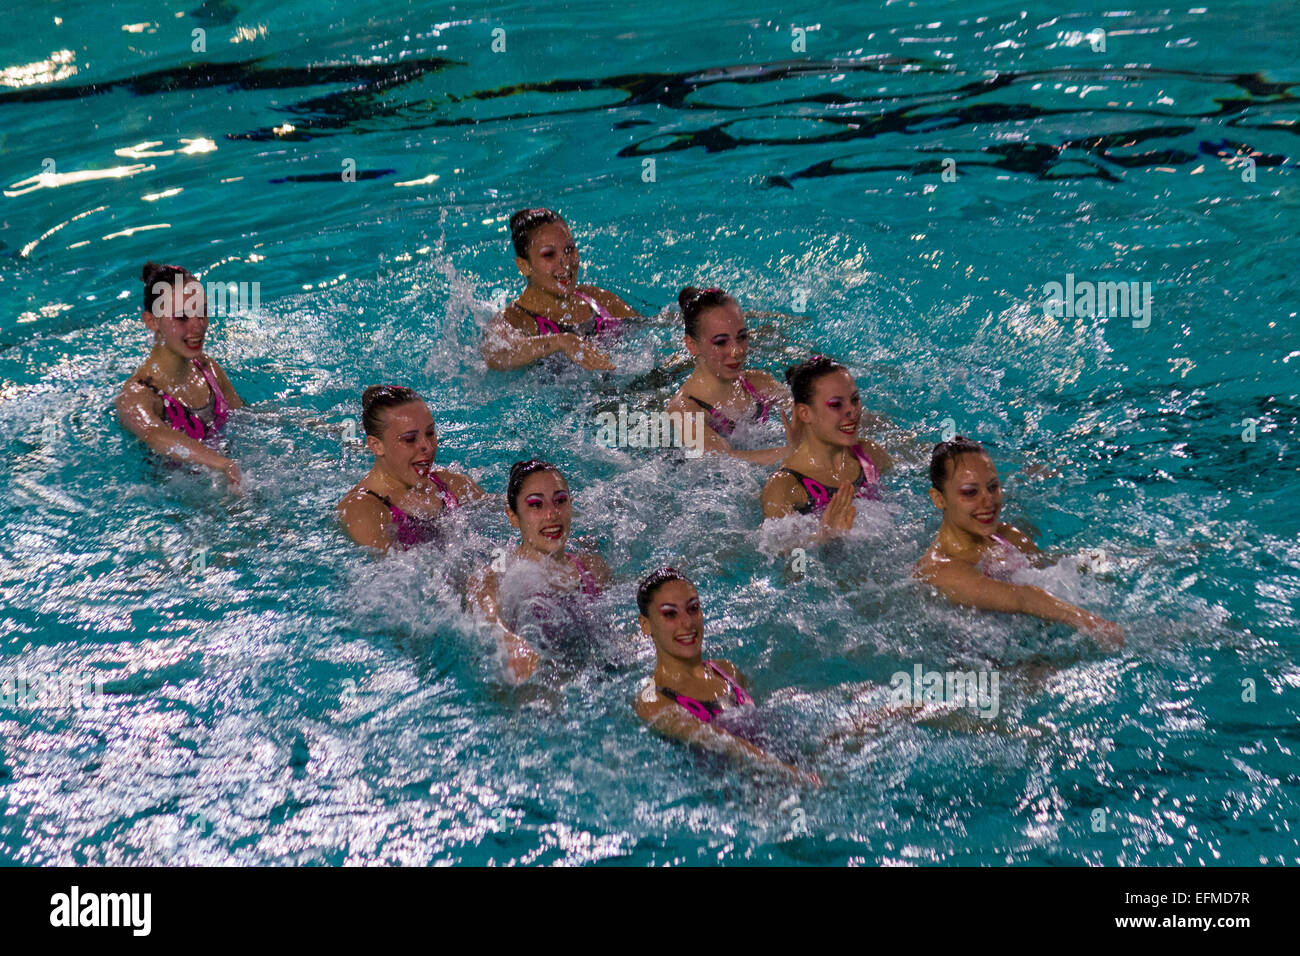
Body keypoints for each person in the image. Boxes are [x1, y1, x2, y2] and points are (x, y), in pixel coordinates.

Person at [914, 436, 1123, 647]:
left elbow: (1048, 567)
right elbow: (1023, 597)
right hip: (977, 661)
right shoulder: (938, 569)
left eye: (993, 487)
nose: (988, 501)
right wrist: (1093, 624)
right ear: (938, 498)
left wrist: (1111, 561)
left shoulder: (1005, 536)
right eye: (970, 492)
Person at [468, 460, 612, 683]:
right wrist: (509, 641)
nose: (552, 514)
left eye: (560, 501)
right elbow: (486, 616)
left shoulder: (593, 568)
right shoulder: (500, 572)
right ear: (513, 517)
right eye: (536, 505)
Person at [116, 262, 245, 484]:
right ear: (152, 321)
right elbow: (154, 435)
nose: (198, 327)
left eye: (202, 312)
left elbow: (244, 416)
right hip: (177, 503)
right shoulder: (137, 394)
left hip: (226, 478)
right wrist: (222, 463)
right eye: (182, 317)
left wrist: (309, 423)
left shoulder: (207, 369)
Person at [481, 208, 637, 371]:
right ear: (524, 266)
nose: (566, 262)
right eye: (549, 255)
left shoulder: (596, 299)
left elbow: (651, 328)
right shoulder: (515, 319)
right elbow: (495, 355)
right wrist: (561, 342)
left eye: (569, 249)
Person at [337, 386, 486, 550]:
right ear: (376, 445)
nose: (427, 447)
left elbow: (509, 517)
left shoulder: (454, 485)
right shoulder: (362, 510)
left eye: (430, 433)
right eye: (410, 439)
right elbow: (388, 573)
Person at [665, 286, 800, 464]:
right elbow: (723, 460)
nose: (737, 351)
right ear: (691, 345)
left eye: (742, 337)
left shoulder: (759, 383)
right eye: (721, 342)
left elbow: (810, 414)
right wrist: (800, 452)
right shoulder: (683, 409)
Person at [760, 356, 892, 536]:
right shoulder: (784, 487)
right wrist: (824, 536)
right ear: (805, 413)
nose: (852, 411)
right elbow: (781, 554)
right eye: (836, 404)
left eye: (854, 399)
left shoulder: (869, 455)